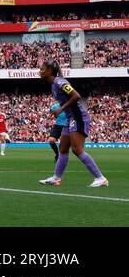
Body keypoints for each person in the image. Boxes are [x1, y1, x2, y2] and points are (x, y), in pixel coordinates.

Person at [38, 60, 108, 188]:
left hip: (78, 116)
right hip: (70, 118)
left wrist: (61, 109)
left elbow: (76, 95)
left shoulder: (60, 82)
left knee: (77, 149)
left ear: (49, 71)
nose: (40, 71)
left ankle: (100, 178)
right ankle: (56, 178)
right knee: (63, 149)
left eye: (42, 69)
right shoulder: (53, 84)